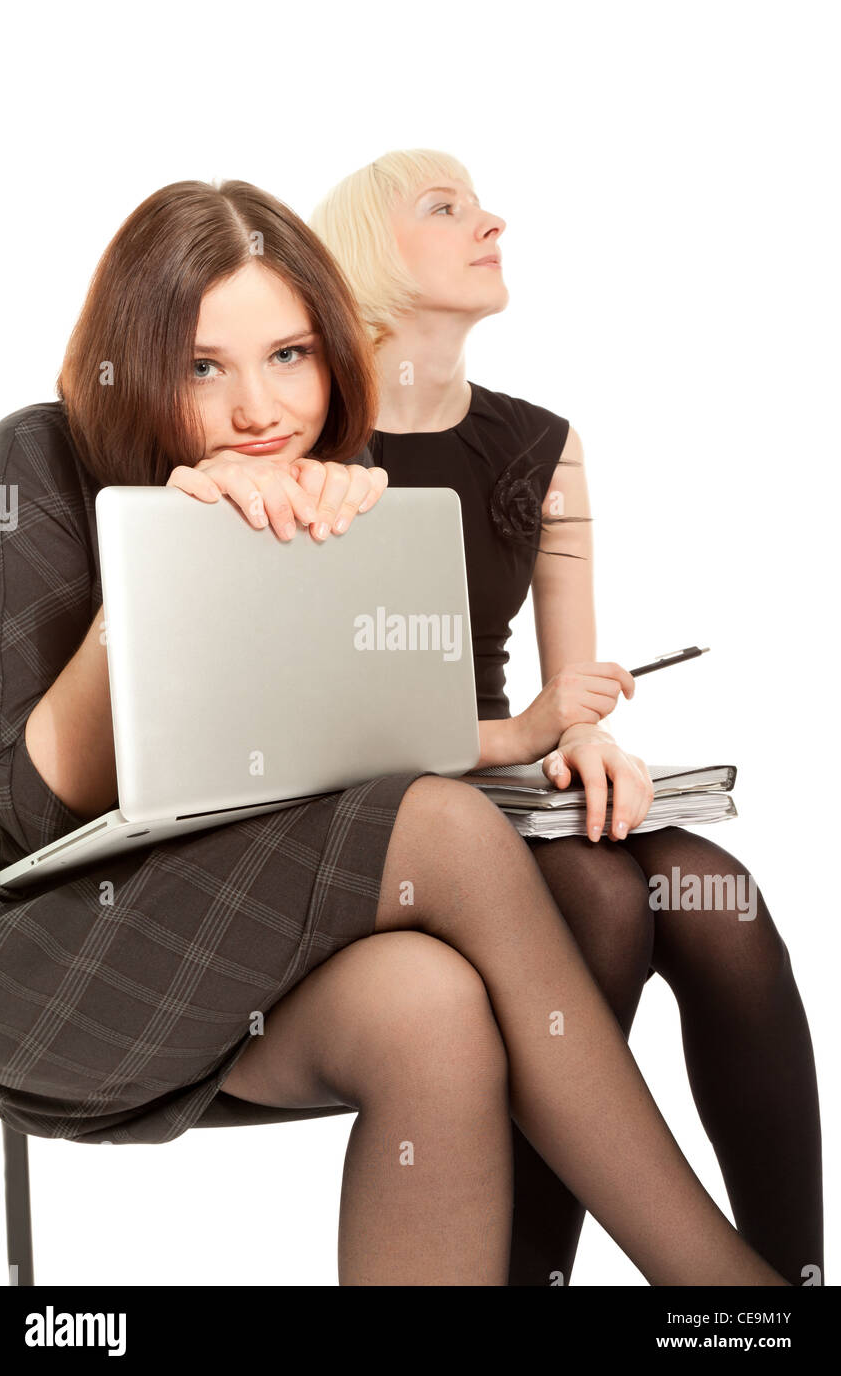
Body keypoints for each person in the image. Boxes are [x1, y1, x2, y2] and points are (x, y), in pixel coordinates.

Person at [0, 179, 789, 1287]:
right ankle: (730, 1299)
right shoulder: (34, 460)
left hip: (246, 946)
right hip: (44, 954)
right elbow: (21, 815)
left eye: (291, 356)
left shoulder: (332, 483)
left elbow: (348, 763)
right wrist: (170, 564)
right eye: (203, 366)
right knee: (446, 830)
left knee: (432, 1003)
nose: (259, 408)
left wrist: (521, 734)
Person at [310, 149, 823, 1287]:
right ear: (363, 255)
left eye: (478, 200)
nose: (490, 219)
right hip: (389, 816)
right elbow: (316, 718)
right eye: (444, 207)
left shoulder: (543, 446)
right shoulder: (305, 445)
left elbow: (567, 685)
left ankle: (794, 1284)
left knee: (718, 899)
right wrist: (527, 730)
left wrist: (586, 740)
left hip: (502, 785)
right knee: (599, 892)